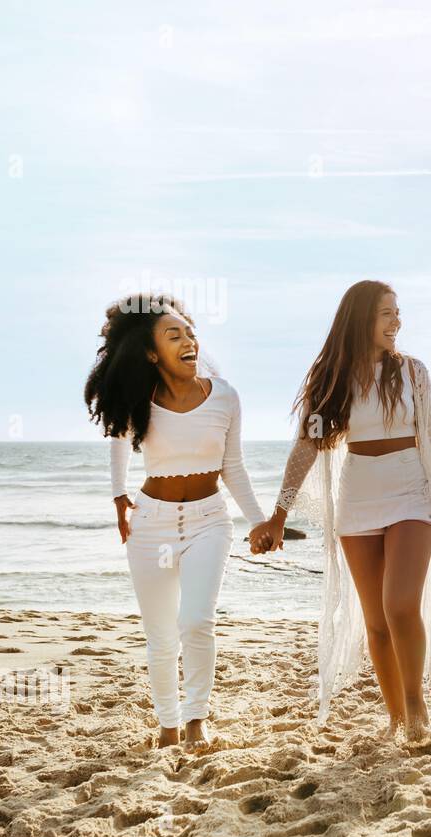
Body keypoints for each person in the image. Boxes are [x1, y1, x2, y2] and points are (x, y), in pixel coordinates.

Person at [249, 280, 431, 743]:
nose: (397, 322)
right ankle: (395, 718)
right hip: (358, 498)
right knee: (376, 620)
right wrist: (279, 515)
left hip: (412, 491)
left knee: (400, 604)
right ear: (361, 319)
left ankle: (415, 708)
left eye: (398, 312)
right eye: (387, 313)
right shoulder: (332, 375)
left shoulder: (413, 373)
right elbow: (307, 446)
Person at [84, 294, 266, 749]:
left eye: (190, 332)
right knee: (162, 635)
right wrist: (118, 495)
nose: (189, 341)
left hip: (209, 521)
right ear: (151, 352)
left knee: (197, 622)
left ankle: (196, 720)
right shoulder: (136, 399)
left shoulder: (224, 396)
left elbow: (234, 467)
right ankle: (167, 726)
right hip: (152, 525)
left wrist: (260, 521)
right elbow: (120, 443)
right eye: (174, 335)